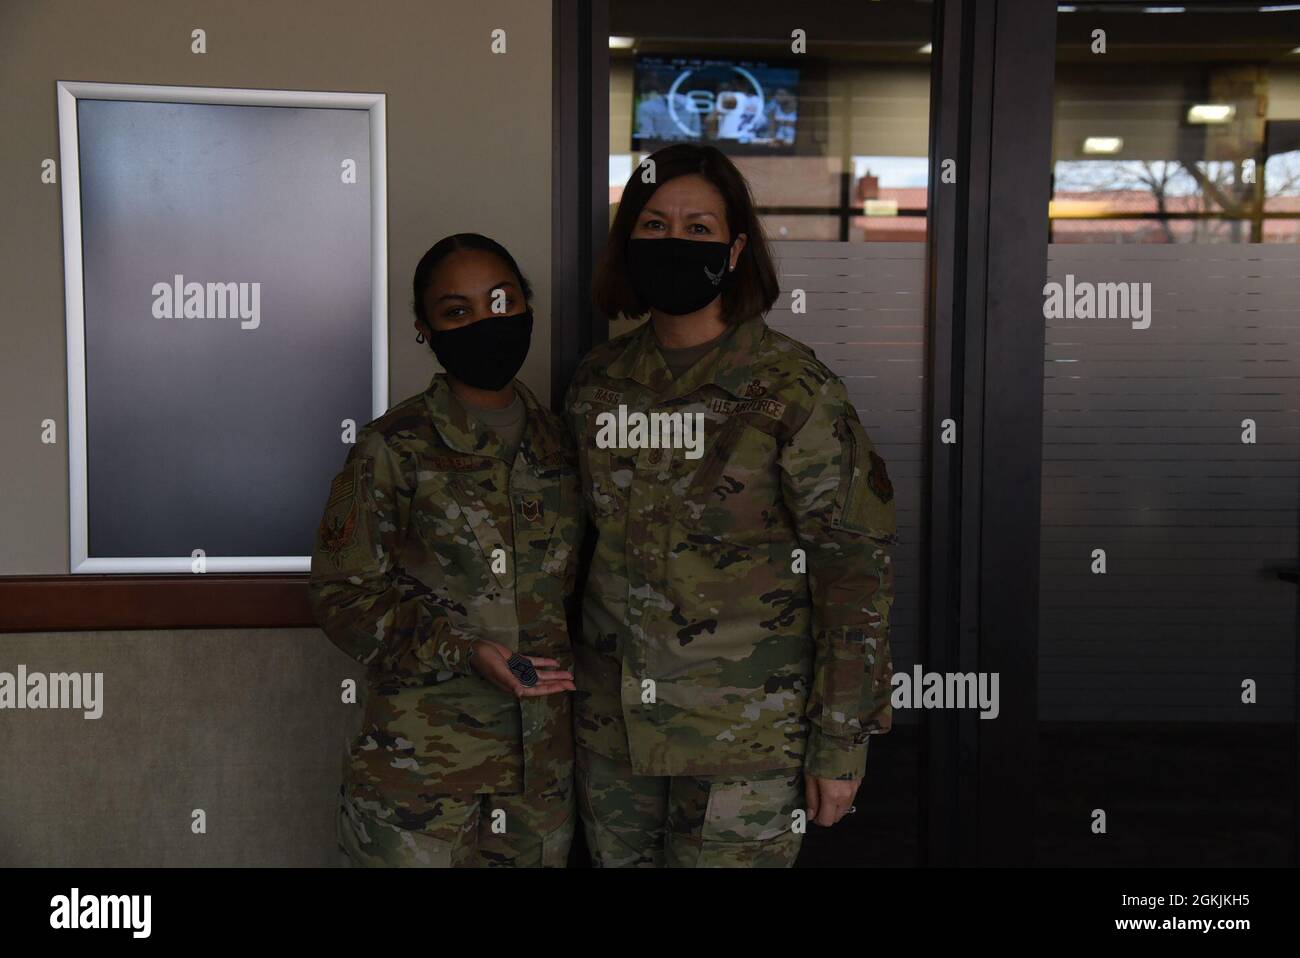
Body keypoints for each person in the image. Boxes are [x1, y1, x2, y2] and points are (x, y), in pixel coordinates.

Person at [565, 144, 897, 867]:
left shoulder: (793, 388)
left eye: (698, 227)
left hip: (744, 742)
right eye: (653, 226)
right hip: (612, 735)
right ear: (628, 244)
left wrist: (841, 740)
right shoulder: (597, 385)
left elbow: (853, 569)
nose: (673, 242)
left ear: (736, 247)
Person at [308, 233, 583, 867]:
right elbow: (342, 597)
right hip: (418, 774)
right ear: (423, 330)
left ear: (527, 306)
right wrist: (462, 651)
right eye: (456, 311)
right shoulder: (391, 448)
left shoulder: (565, 446)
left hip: (541, 778)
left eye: (500, 300)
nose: (485, 321)